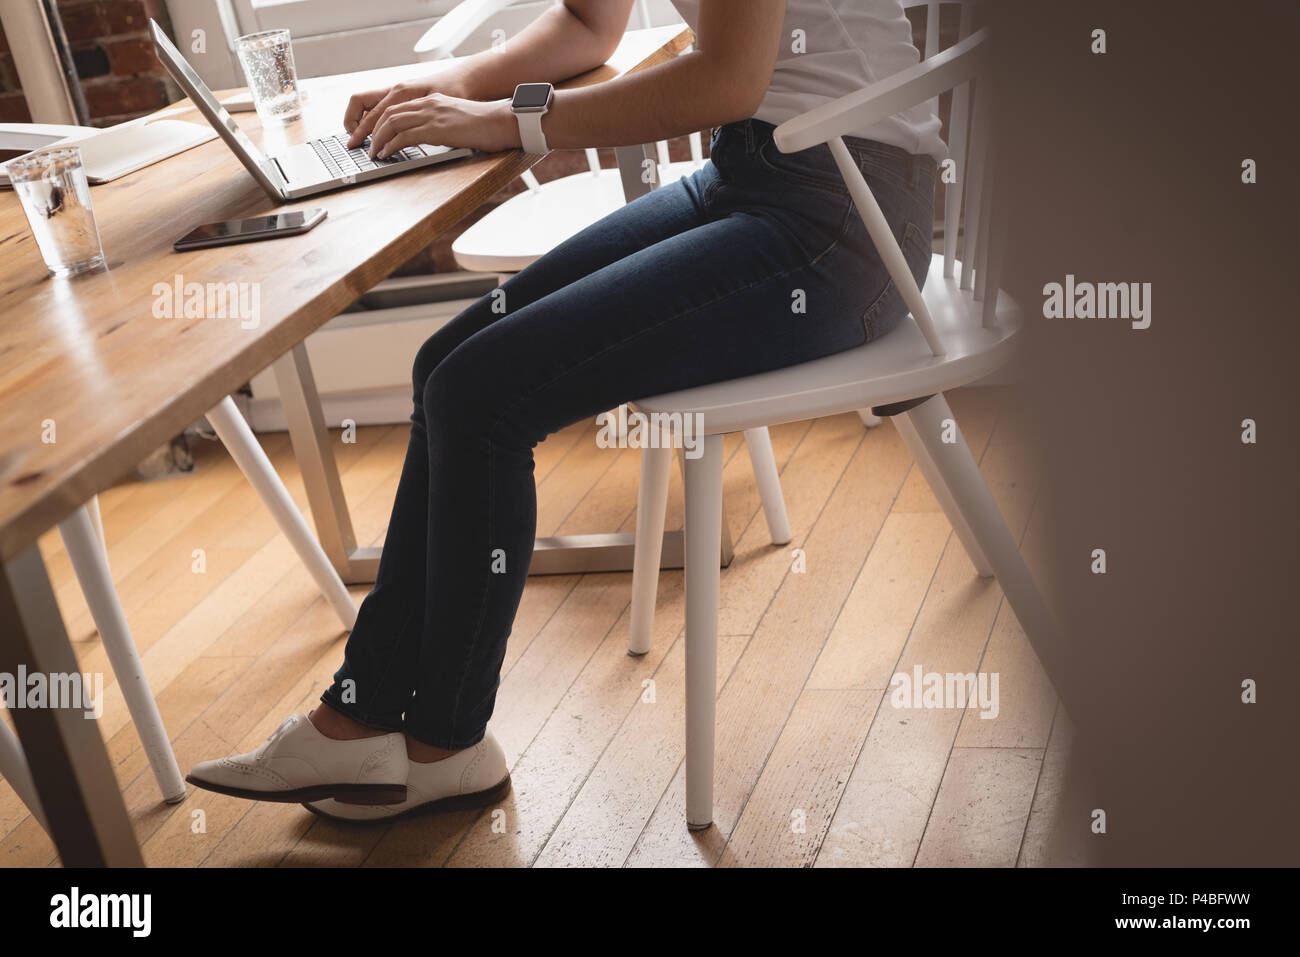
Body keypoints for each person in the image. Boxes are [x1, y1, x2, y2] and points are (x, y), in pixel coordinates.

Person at [188, 0, 945, 821]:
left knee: (481, 399)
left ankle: (446, 741)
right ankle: (362, 714)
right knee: (444, 365)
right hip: (748, 170)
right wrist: (440, 94)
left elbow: (728, 77)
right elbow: (589, 23)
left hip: (844, 213)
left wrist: (506, 123)